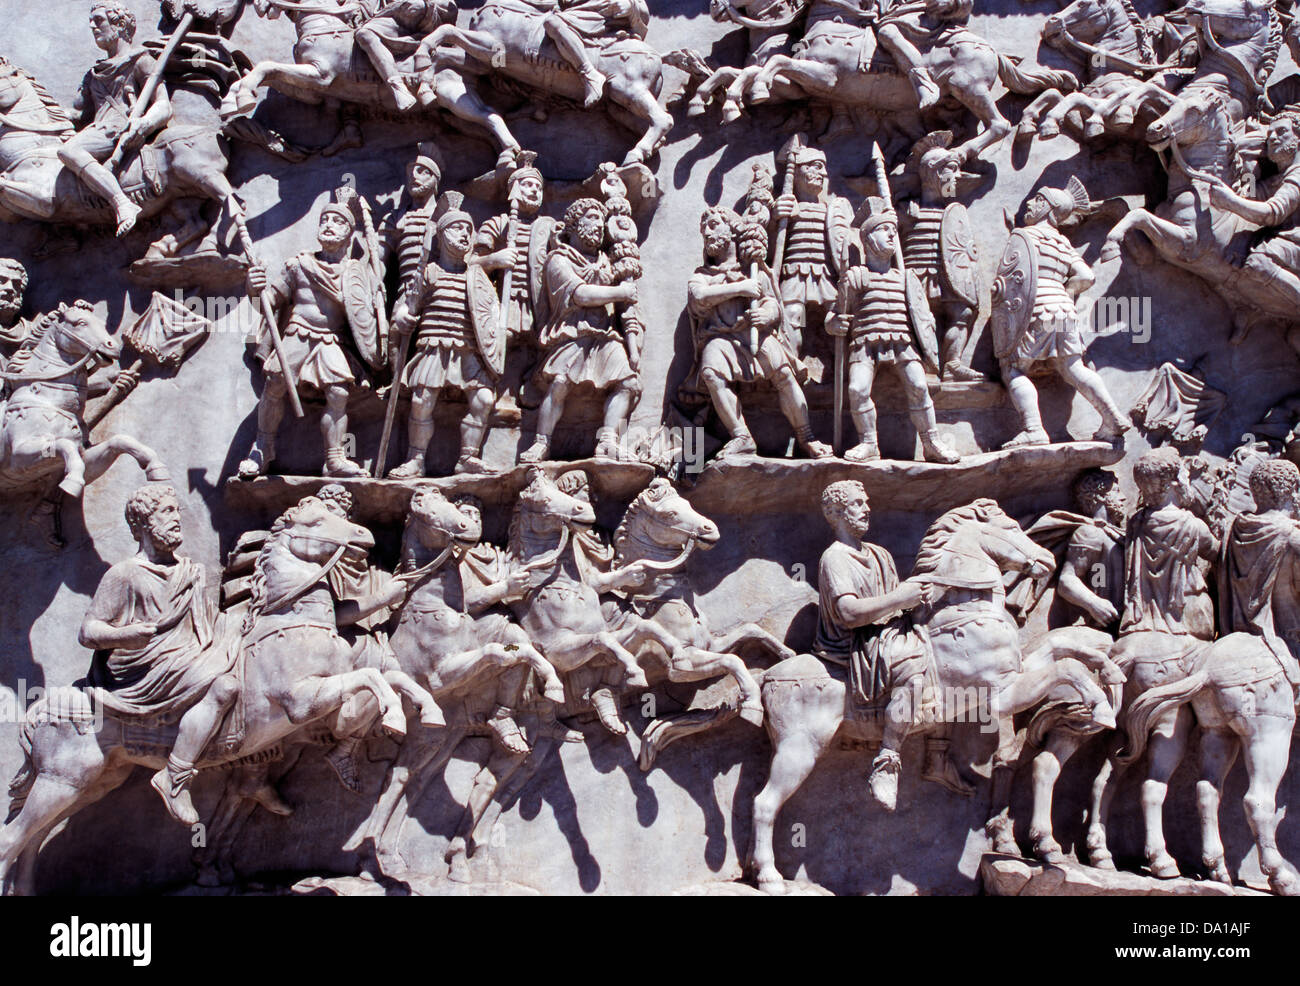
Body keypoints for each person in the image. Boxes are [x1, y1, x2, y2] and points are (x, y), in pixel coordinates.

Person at [75, 484, 241, 825]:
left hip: (186, 657)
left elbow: (209, 624)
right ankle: (175, 778)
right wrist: (125, 635)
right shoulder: (125, 573)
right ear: (143, 524)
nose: (176, 518)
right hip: (144, 667)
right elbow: (88, 631)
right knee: (224, 686)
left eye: (177, 510)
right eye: (166, 512)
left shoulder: (189, 571)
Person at [813, 480, 968, 810]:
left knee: (941, 653)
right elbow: (848, 613)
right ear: (836, 513)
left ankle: (938, 753)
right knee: (913, 664)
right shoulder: (835, 559)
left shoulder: (879, 554)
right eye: (858, 503)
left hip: (889, 631)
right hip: (858, 643)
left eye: (866, 502)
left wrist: (922, 598)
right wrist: (900, 597)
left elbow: (897, 605)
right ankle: (887, 760)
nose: (867, 508)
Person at [238, 198, 382, 480]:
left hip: (331, 339)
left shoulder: (355, 273)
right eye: (324, 220)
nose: (329, 226)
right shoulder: (299, 265)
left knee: (339, 393)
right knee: (275, 382)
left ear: (350, 233)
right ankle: (262, 447)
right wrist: (253, 288)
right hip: (298, 333)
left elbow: (363, 315)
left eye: (338, 222)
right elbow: (270, 300)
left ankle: (334, 458)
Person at [992, 178, 1131, 449]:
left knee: (1013, 369)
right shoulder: (1063, 242)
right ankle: (1112, 417)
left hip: (1034, 309)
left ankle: (1033, 429)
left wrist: (1014, 233)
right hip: (1063, 310)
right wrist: (1066, 292)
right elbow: (1087, 276)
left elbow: (1012, 278)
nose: (1029, 204)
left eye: (1035, 200)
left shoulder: (1025, 235)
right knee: (1073, 368)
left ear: (1046, 206)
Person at [687, 205, 830, 460]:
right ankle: (741, 436)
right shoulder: (702, 275)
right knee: (710, 371)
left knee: (784, 373)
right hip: (720, 339)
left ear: (731, 230)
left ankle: (806, 436)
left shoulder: (753, 269)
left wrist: (766, 314)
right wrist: (741, 288)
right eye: (702, 230)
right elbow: (699, 298)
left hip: (755, 334)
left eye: (713, 226)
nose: (706, 234)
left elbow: (773, 303)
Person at [829, 201, 959, 463]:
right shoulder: (857, 277)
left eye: (893, 230)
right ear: (866, 238)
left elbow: (922, 316)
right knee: (857, 389)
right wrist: (835, 324)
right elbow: (833, 317)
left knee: (919, 385)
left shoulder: (906, 277)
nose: (891, 234)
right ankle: (869, 443)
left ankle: (931, 442)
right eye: (884, 229)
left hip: (902, 341)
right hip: (865, 341)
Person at [388, 193, 502, 477]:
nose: (464, 234)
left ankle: (467, 457)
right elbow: (405, 306)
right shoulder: (429, 272)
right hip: (434, 346)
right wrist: (402, 317)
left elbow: (491, 315)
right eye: (457, 228)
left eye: (468, 229)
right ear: (440, 235)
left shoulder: (476, 276)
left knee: (484, 400)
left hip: (466, 348)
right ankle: (416, 459)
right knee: (422, 401)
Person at [521, 198, 639, 463]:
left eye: (601, 220)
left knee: (628, 382)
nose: (599, 225)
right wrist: (620, 291)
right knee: (560, 382)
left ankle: (608, 441)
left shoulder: (607, 262)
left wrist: (633, 346)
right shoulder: (558, 260)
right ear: (574, 225)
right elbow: (581, 295)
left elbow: (626, 309)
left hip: (604, 335)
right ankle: (542, 442)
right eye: (592, 217)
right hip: (571, 333)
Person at [59, 2, 173, 236]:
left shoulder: (140, 60)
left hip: (119, 128)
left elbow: (164, 105)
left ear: (119, 24)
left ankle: (122, 202)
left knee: (69, 151)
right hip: (98, 129)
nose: (92, 26)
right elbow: (80, 115)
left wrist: (145, 123)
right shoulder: (94, 73)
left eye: (99, 20)